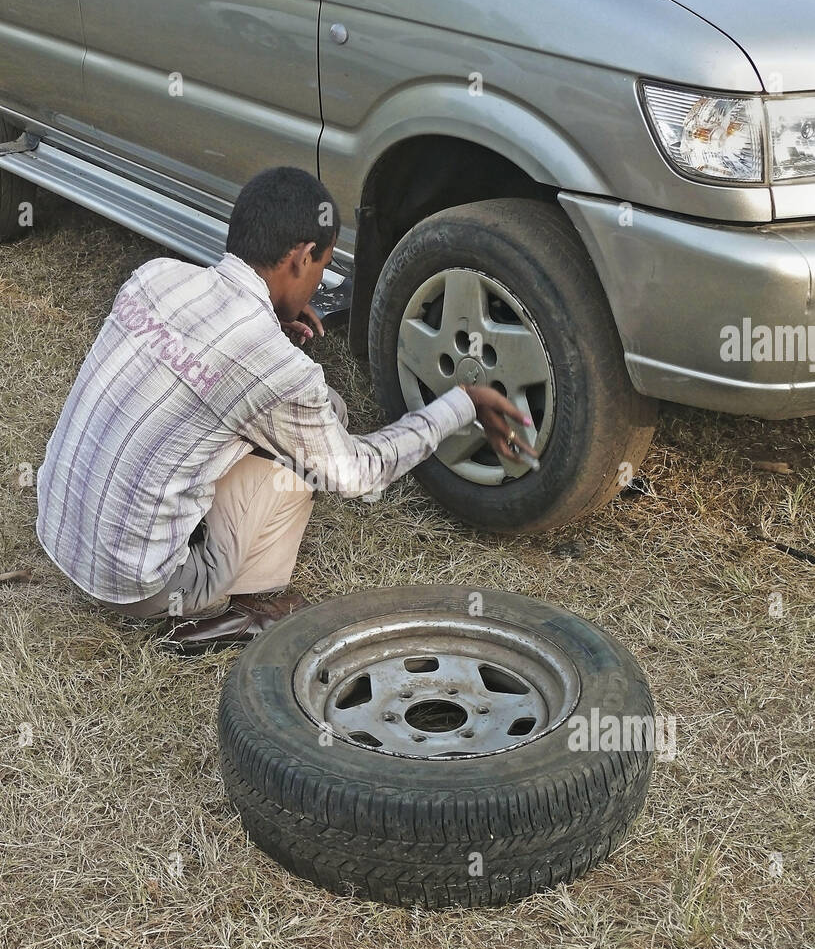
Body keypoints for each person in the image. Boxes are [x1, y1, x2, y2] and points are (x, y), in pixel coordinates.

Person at [36, 167, 535, 653]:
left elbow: (210, 367)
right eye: (322, 267)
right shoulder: (278, 371)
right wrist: (460, 402)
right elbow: (357, 473)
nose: (320, 283)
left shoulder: (156, 276)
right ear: (301, 256)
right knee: (314, 442)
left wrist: (272, 321)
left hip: (56, 527)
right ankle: (232, 605)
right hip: (141, 587)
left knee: (309, 412)